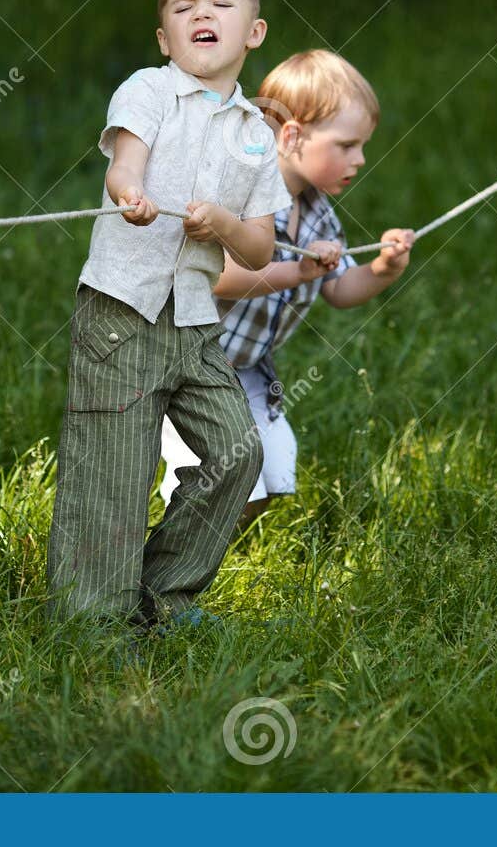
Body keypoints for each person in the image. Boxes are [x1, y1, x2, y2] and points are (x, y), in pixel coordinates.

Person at [48, 0, 292, 626]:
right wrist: (131, 193)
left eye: (220, 5)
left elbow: (260, 245)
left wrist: (222, 226)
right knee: (114, 471)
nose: (201, 15)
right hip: (122, 311)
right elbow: (125, 166)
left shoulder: (255, 135)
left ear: (255, 32)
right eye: (184, 9)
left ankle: (161, 593)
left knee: (239, 451)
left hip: (193, 320)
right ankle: (90, 621)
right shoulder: (148, 91)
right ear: (165, 39)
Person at [158, 49, 414, 535]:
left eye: (362, 146)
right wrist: (297, 272)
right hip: (192, 364)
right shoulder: (245, 195)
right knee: (225, 476)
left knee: (273, 471)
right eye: (347, 145)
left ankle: (218, 556)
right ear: (292, 136)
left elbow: (339, 289)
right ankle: (173, 562)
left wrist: (383, 267)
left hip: (250, 366)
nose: (359, 159)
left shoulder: (319, 213)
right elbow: (223, 277)